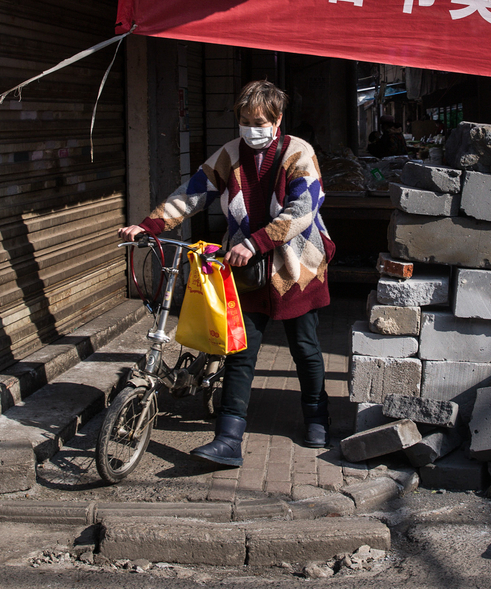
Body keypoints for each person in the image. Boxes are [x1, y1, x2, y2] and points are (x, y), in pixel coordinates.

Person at [118, 80, 335, 466]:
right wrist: (149, 225)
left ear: (277, 120)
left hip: (296, 268)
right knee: (240, 352)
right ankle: (229, 437)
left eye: (260, 121)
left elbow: (304, 209)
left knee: (305, 348)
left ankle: (317, 416)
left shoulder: (298, 152)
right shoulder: (230, 155)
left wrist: (254, 242)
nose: (252, 128)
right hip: (246, 271)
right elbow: (193, 192)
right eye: (245, 120)